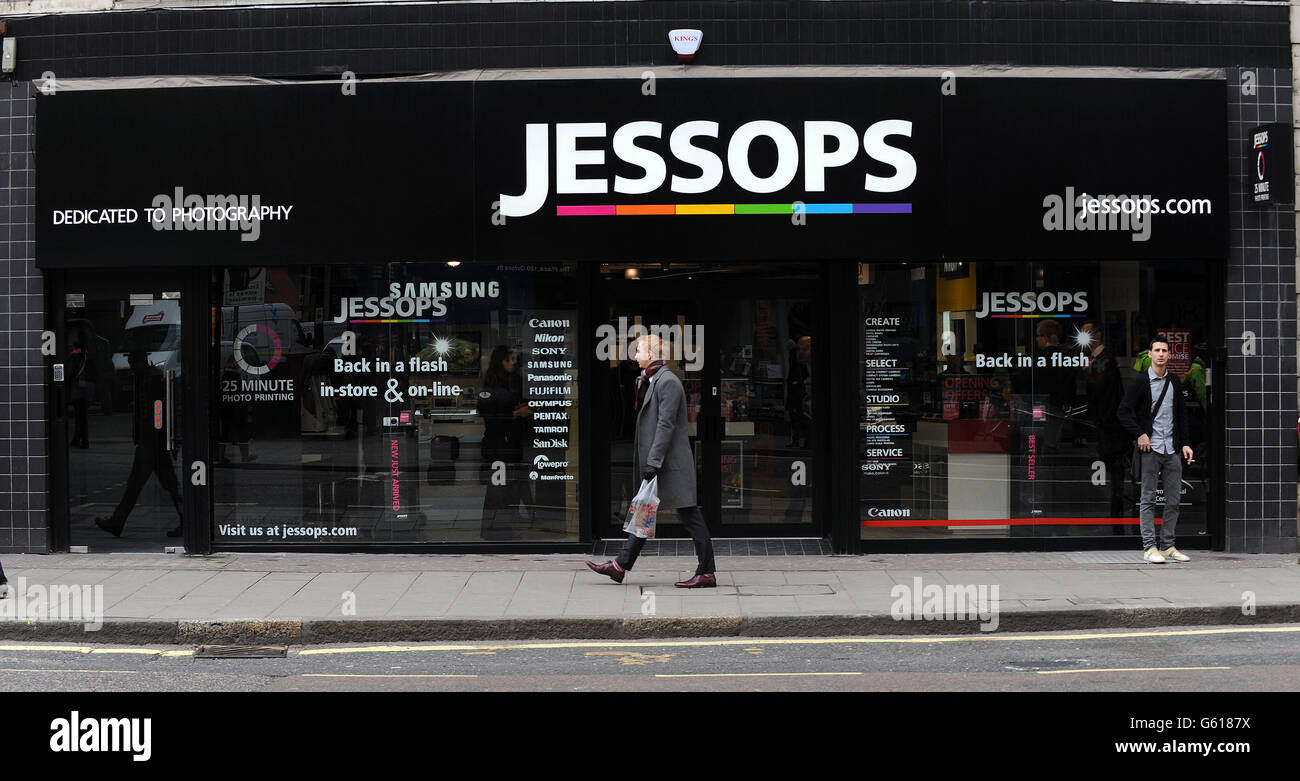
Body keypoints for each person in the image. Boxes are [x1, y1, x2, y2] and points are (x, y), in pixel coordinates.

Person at [586, 333, 717, 588]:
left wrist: (653, 461)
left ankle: (707, 572)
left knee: (690, 515)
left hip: (670, 464)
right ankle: (619, 566)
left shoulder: (667, 382)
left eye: (638, 351)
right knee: (644, 512)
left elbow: (665, 425)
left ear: (652, 354)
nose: (634, 355)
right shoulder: (653, 380)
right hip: (662, 463)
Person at [1118, 336, 1194, 564]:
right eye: (1157, 350)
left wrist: (1186, 443)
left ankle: (1168, 545)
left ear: (1169, 355)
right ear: (1149, 354)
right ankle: (1150, 547)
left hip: (1172, 448)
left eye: (1164, 350)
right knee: (1148, 498)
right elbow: (1123, 411)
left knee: (1173, 500)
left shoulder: (1174, 382)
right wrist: (1140, 433)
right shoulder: (1141, 382)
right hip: (1150, 448)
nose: (1161, 354)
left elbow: (1181, 415)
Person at [94, 348, 184, 538]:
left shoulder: (152, 379)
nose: (132, 367)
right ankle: (186, 521)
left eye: (133, 363)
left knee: (136, 486)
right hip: (152, 443)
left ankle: (117, 522)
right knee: (168, 485)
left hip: (151, 444)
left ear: (141, 362)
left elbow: (159, 412)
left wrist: (165, 439)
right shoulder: (146, 378)